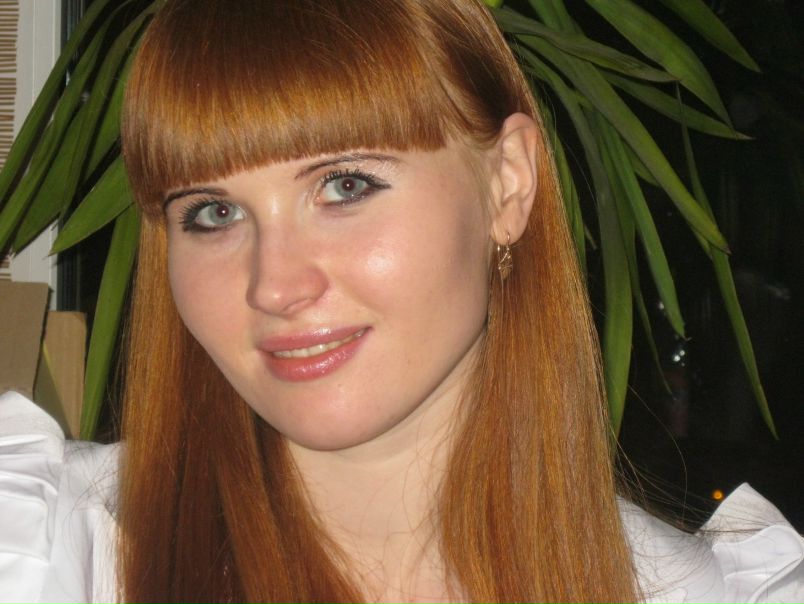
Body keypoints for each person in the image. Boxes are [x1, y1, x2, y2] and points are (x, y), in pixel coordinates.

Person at [1, 0, 802, 602]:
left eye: (346, 186)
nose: (274, 284)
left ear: (507, 184)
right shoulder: (46, 556)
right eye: (212, 213)